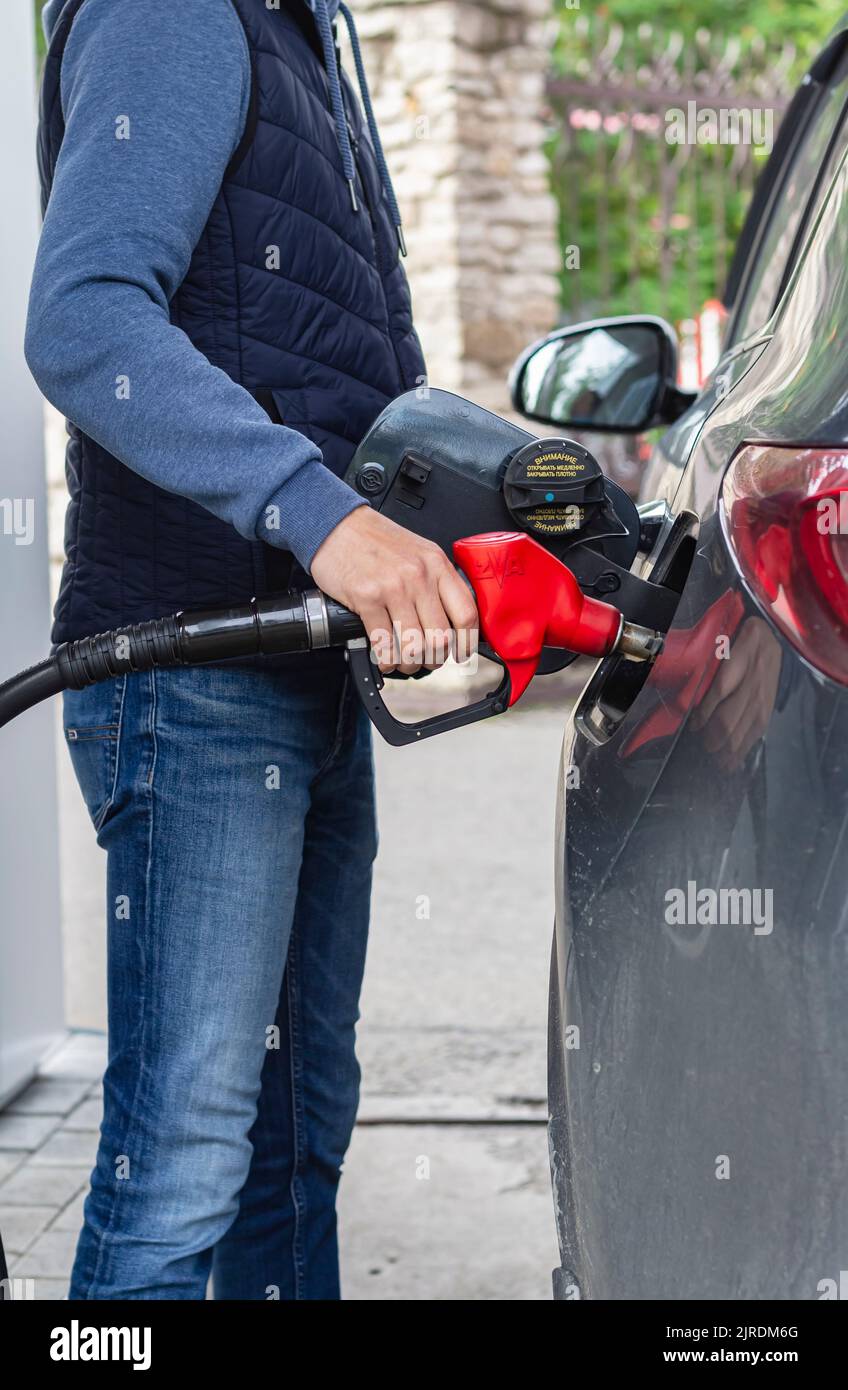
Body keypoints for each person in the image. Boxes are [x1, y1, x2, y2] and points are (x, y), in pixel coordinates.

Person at [26, 0, 477, 1300]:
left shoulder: (306, 32)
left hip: (300, 665)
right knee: (182, 1166)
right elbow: (87, 321)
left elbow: (338, 355)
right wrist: (325, 519)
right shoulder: (174, 11)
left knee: (293, 1149)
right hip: (194, 670)